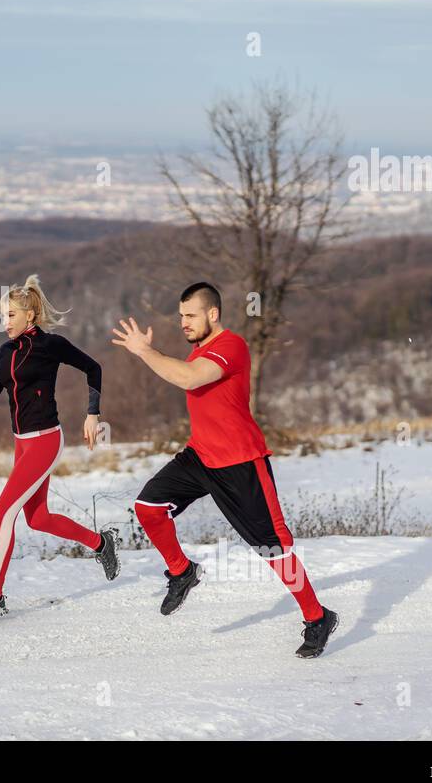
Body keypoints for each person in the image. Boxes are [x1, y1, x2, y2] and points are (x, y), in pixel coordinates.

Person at [111, 281, 338, 657]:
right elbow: (186, 377)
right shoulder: (200, 350)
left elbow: (188, 378)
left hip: (241, 463)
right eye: (180, 316)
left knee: (273, 548)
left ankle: (317, 617)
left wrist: (145, 351)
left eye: (190, 315)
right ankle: (182, 571)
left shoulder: (231, 346)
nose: (182, 322)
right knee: (148, 507)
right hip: (200, 456)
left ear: (212, 314)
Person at [0, 274, 120, 622]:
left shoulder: (51, 345)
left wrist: (93, 415)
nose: (5, 323)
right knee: (38, 518)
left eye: (12, 316)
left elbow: (94, 368)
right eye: (3, 316)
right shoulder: (4, 353)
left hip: (47, 440)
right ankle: (101, 543)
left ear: (29, 315)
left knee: (2, 511)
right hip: (21, 444)